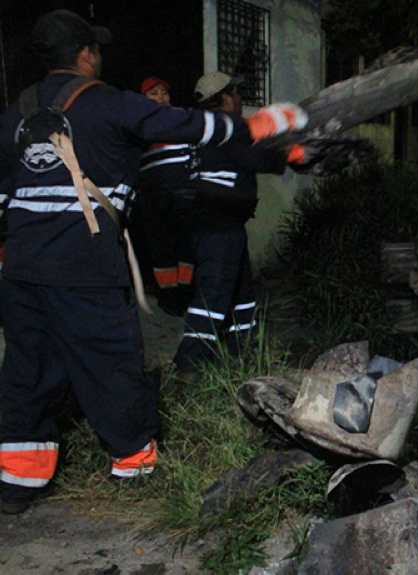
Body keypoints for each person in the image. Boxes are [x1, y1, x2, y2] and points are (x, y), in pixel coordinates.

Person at [0, 9, 306, 515]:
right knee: (110, 360)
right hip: (84, 265)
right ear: (85, 54)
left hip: (22, 268)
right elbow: (183, 123)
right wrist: (254, 125)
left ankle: (18, 481)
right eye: (96, 48)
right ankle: (133, 463)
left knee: (28, 367)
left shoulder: (17, 111)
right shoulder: (108, 103)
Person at [172, 72, 300, 380]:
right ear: (225, 97)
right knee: (214, 296)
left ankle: (243, 351)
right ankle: (188, 365)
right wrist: (295, 153)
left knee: (242, 295)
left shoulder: (202, 130)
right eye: (236, 92)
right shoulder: (225, 128)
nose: (240, 98)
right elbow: (257, 158)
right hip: (219, 228)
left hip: (216, 225)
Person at [136, 76, 197, 316]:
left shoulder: (181, 117)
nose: (160, 97)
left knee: (186, 247)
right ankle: (169, 297)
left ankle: (186, 292)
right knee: (161, 248)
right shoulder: (138, 123)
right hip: (153, 194)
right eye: (154, 93)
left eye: (164, 92)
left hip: (183, 192)